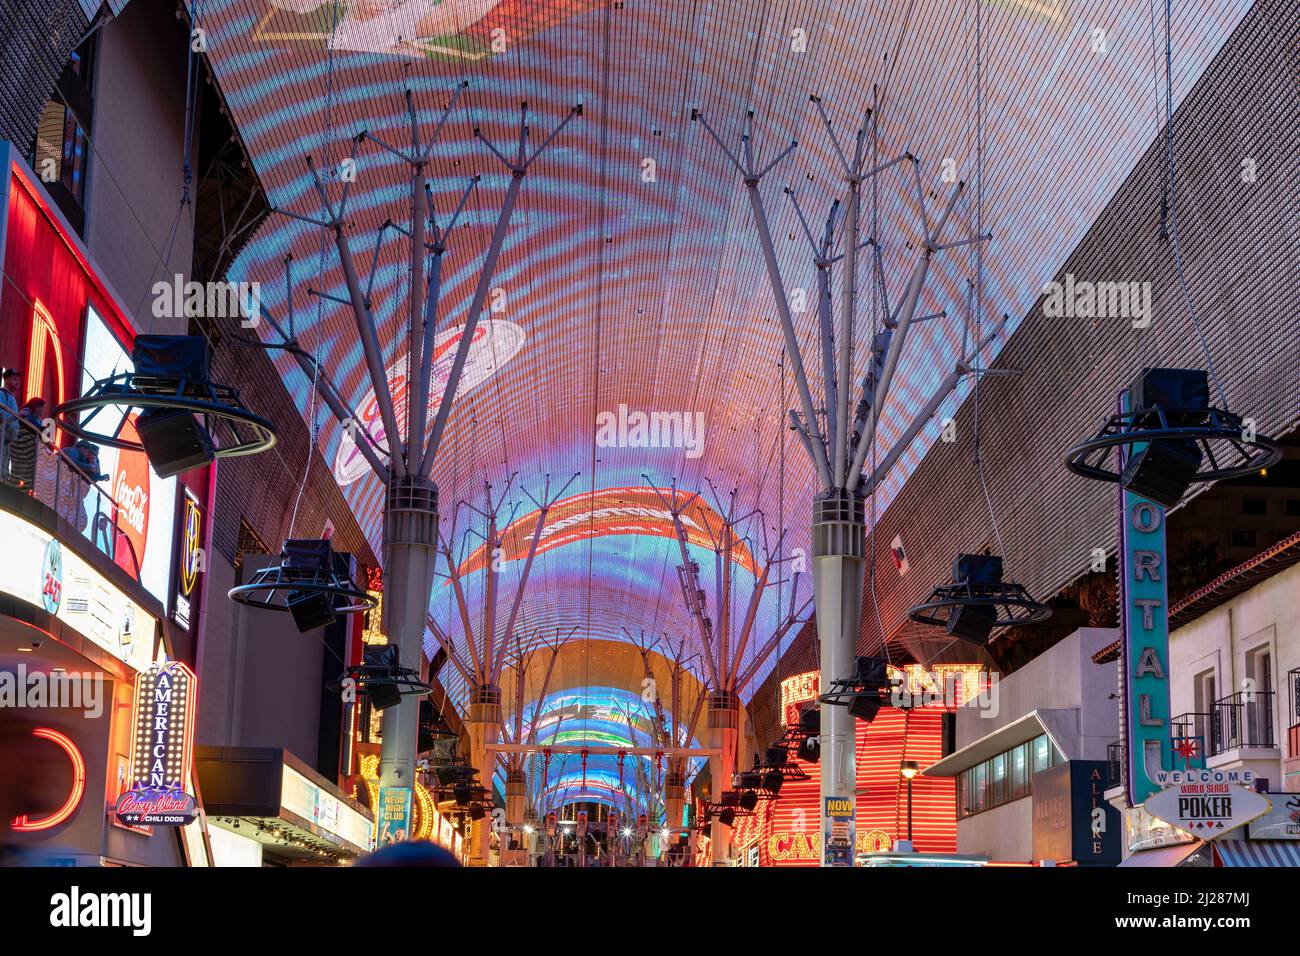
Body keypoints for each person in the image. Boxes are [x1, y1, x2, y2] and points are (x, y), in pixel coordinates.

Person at [7, 397, 45, 489]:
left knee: (27, 472)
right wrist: (41, 430)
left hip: (30, 449)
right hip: (21, 444)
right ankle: (13, 488)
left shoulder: (38, 420)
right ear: (37, 407)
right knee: (18, 470)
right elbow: (28, 424)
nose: (43, 410)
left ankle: (21, 489)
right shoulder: (26, 411)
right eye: (42, 407)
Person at [0, 367, 20, 480]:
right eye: (14, 379)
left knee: (4, 465)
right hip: (2, 435)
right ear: (6, 380)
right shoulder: (2, 394)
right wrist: (13, 418)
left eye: (18, 379)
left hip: (7, 439)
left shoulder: (11, 397)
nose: (18, 382)